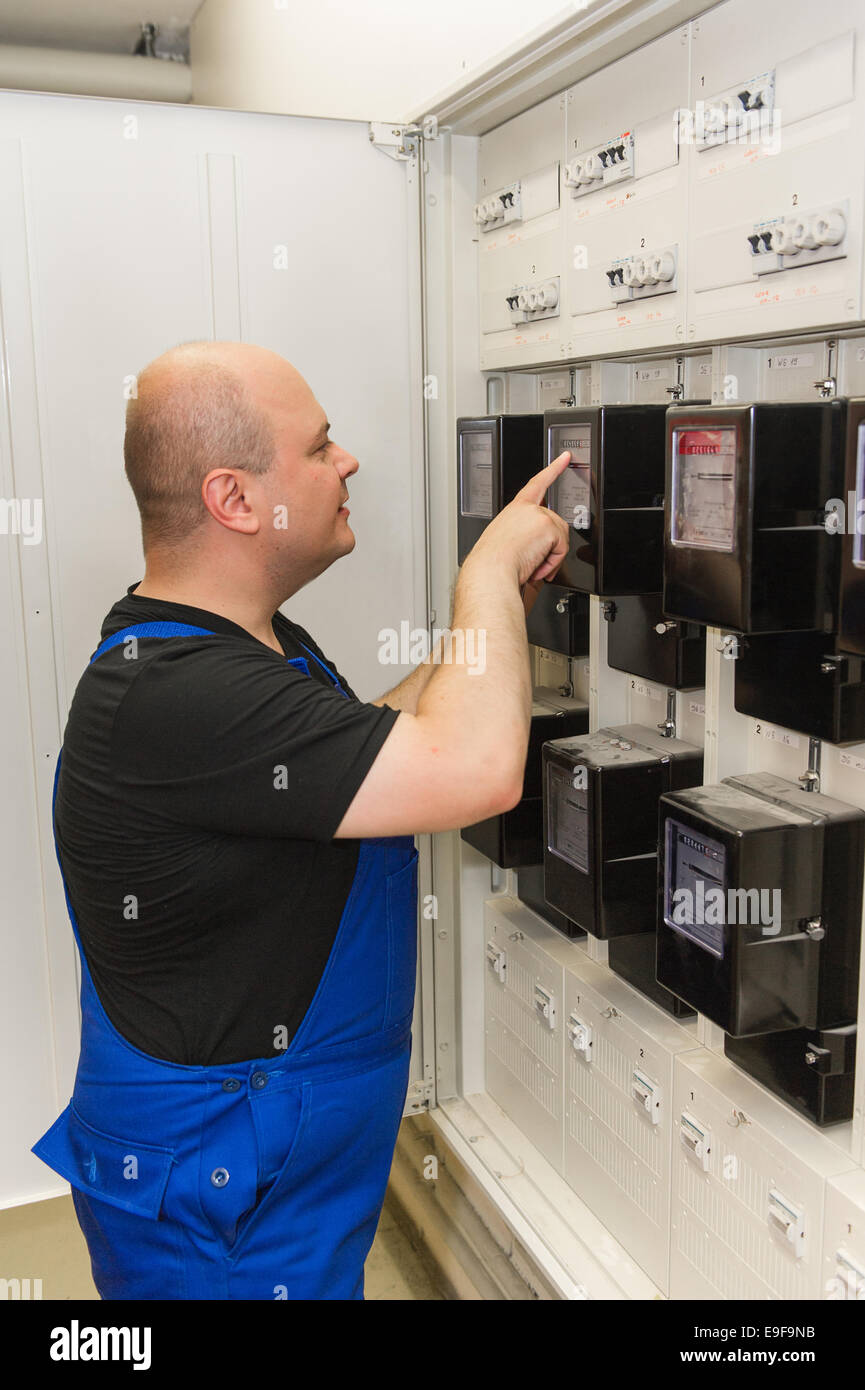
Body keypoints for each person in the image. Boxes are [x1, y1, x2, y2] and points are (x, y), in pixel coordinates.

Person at [32, 340, 571, 1300]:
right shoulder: (183, 698)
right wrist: (485, 574)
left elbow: (371, 748)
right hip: (220, 1209)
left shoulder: (233, 651)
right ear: (235, 500)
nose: (347, 462)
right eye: (320, 447)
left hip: (272, 1186)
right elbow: (478, 771)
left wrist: (480, 644)